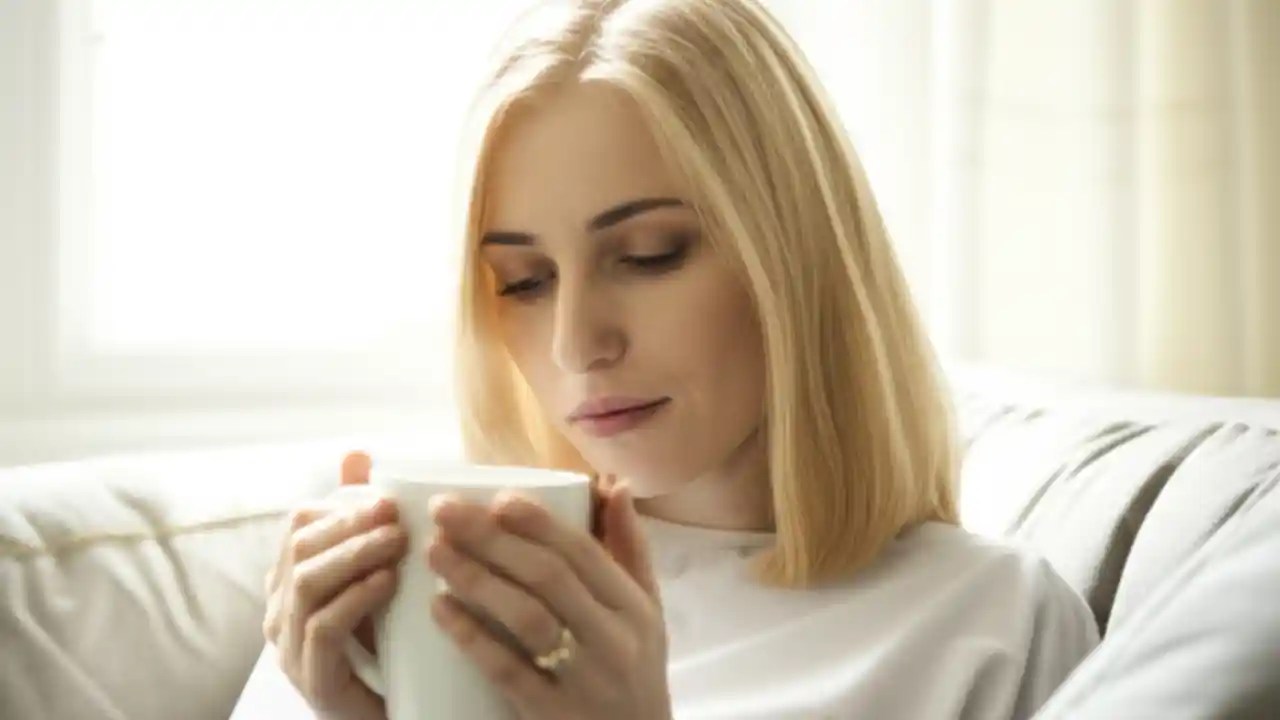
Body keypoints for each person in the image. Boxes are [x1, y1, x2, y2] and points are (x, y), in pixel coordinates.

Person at [258, 0, 1100, 718]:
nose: (576, 345)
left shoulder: (994, 622)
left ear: (793, 253)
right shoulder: (416, 598)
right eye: (525, 281)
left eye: (649, 255)